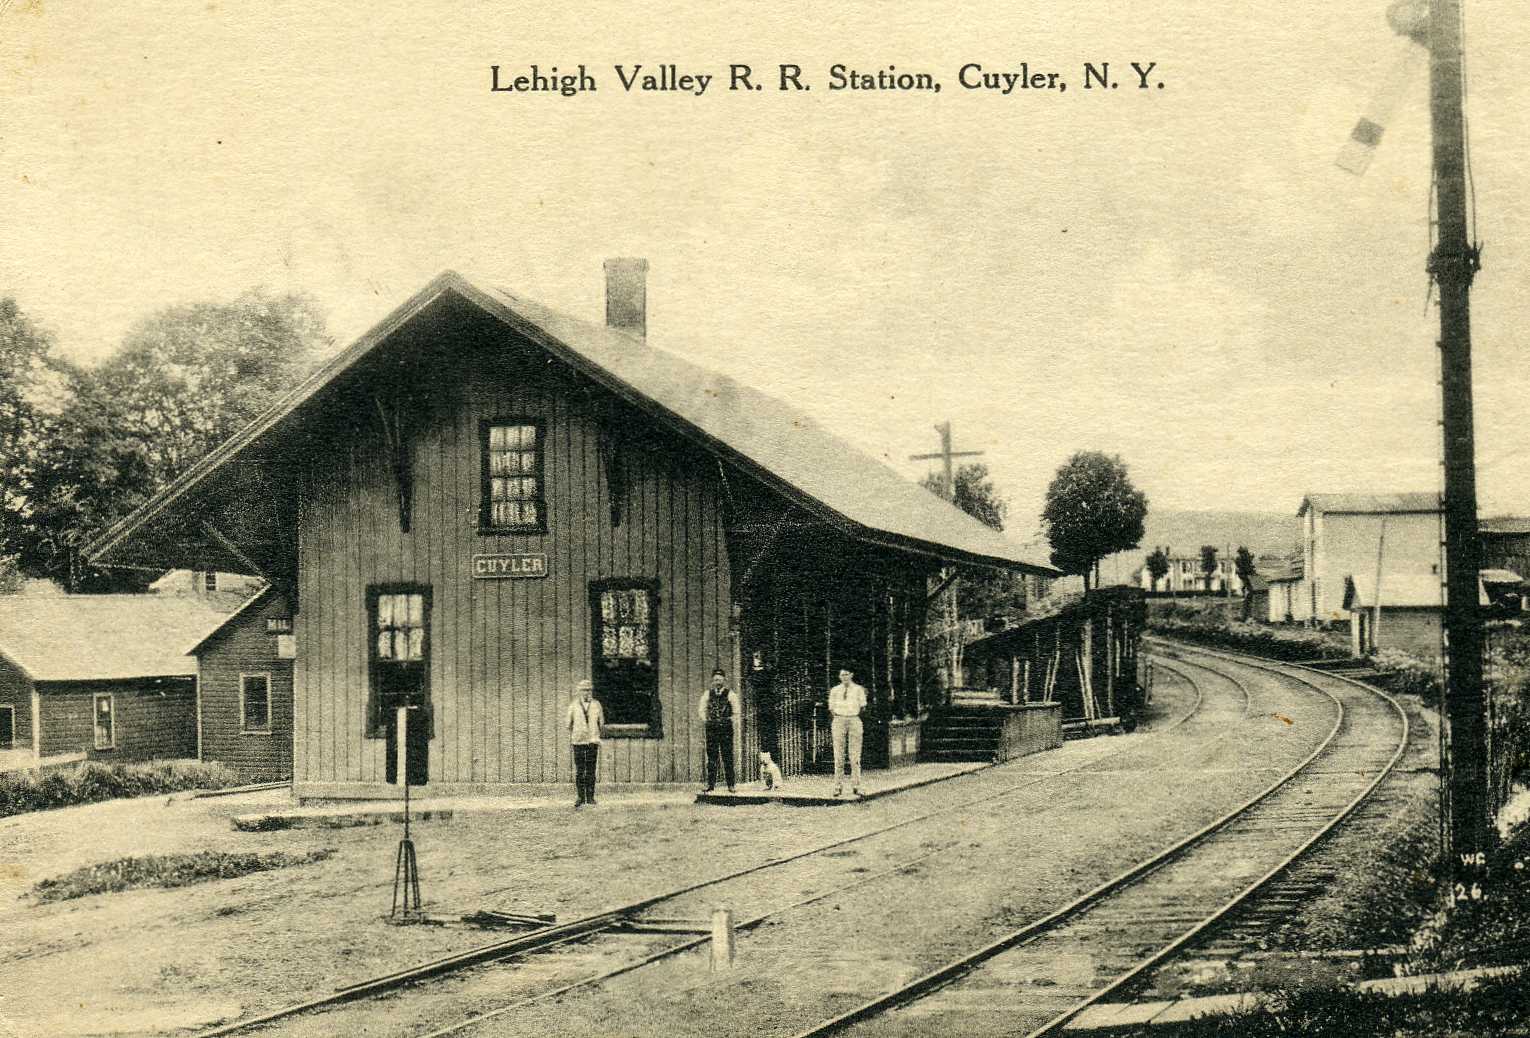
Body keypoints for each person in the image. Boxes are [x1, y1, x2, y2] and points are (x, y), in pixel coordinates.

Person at [697, 666, 740, 793]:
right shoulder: (707, 694)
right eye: (715, 680)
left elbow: (736, 712)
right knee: (711, 758)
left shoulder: (730, 694)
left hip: (726, 730)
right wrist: (707, 720)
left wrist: (727, 721)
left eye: (720, 679)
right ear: (712, 681)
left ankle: (731, 785)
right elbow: (701, 709)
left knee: (727, 757)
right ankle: (710, 785)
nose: (718, 682)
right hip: (712, 730)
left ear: (724, 680)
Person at [827, 666, 868, 797]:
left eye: (846, 674)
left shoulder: (858, 690)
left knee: (854, 756)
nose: (844, 677)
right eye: (842, 675)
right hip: (839, 720)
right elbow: (831, 708)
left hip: (854, 720)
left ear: (851, 675)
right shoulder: (835, 690)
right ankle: (837, 786)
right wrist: (840, 717)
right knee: (838, 755)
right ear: (839, 677)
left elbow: (863, 707)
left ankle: (856, 785)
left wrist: (852, 716)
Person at [566, 679, 604, 807]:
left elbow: (601, 723)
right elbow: (568, 724)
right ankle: (580, 797)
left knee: (591, 770)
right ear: (579, 691)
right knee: (580, 770)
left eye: (588, 690)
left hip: (592, 741)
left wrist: (594, 734)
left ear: (591, 691)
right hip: (578, 742)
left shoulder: (597, 705)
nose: (586, 692)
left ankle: (590, 797)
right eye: (583, 690)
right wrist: (578, 733)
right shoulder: (573, 705)